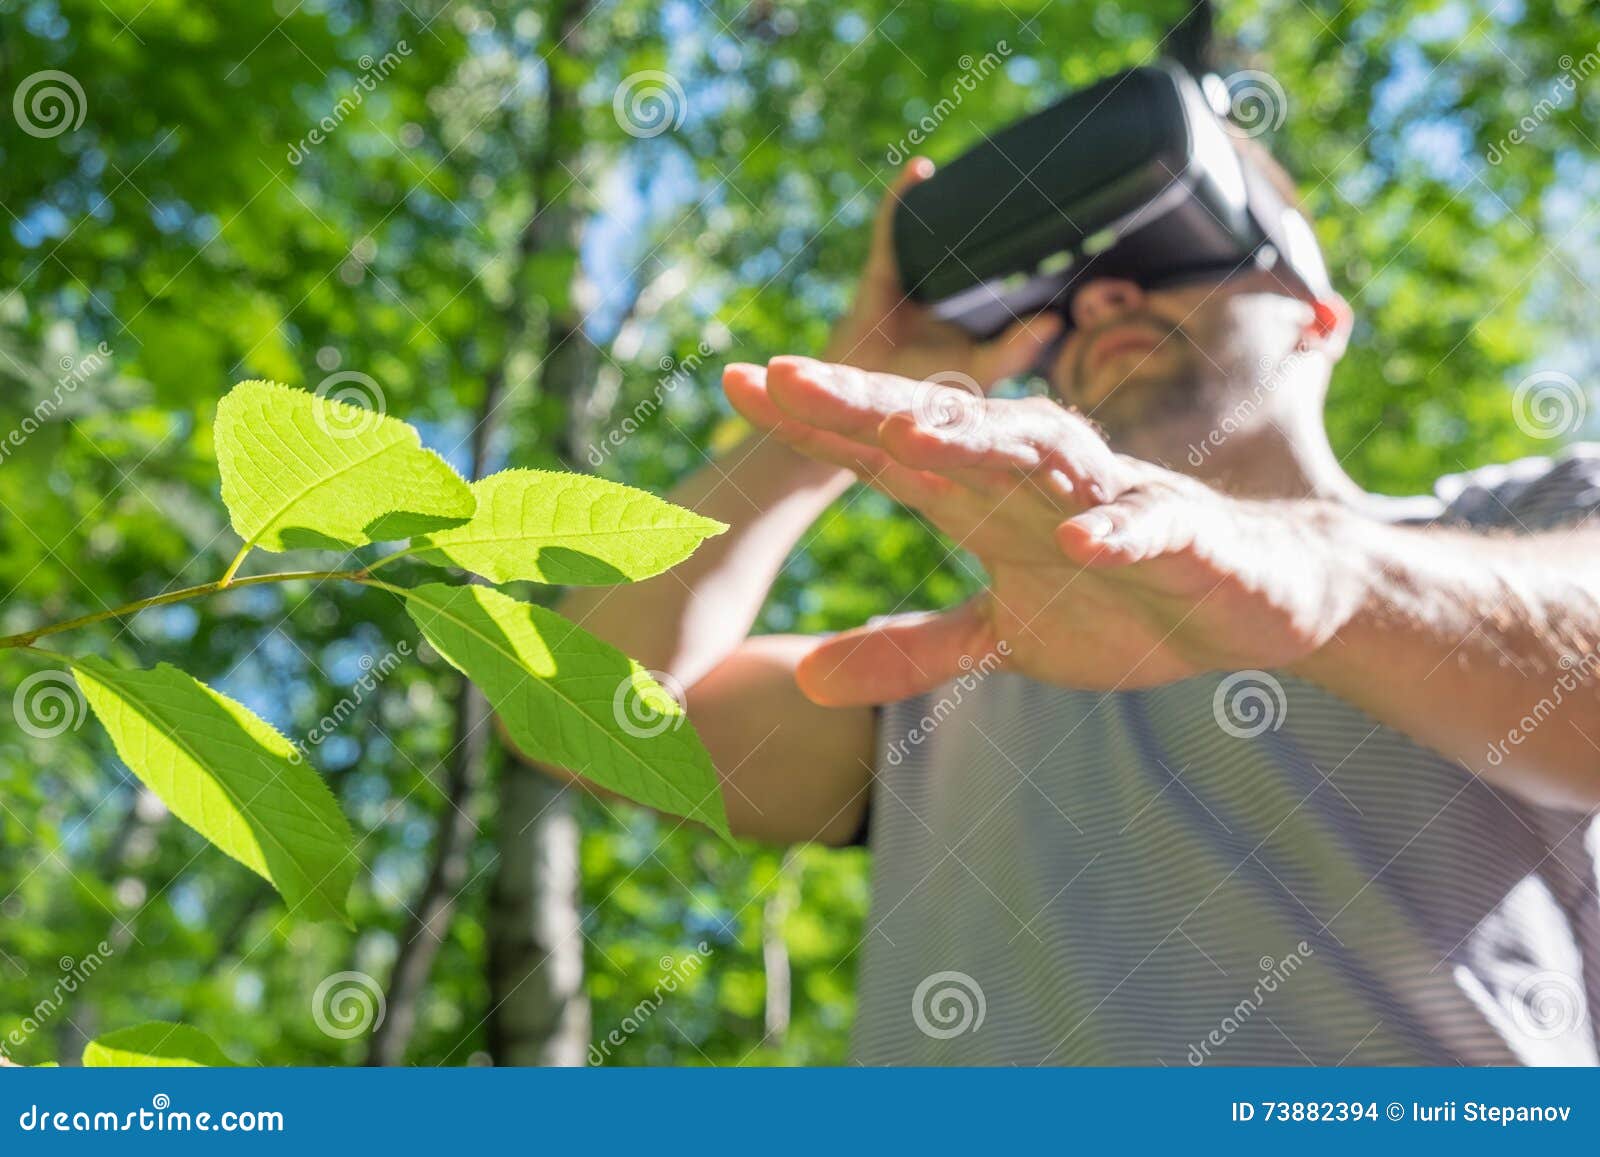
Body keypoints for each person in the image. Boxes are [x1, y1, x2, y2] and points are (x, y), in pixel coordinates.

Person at [530, 146, 1600, 1065]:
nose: (1104, 294)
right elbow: (577, 710)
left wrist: (1310, 583)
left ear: (1318, 316)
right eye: (1074, 277)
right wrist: (836, 408)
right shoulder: (948, 673)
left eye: (1173, 244)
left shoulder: (1528, 519)